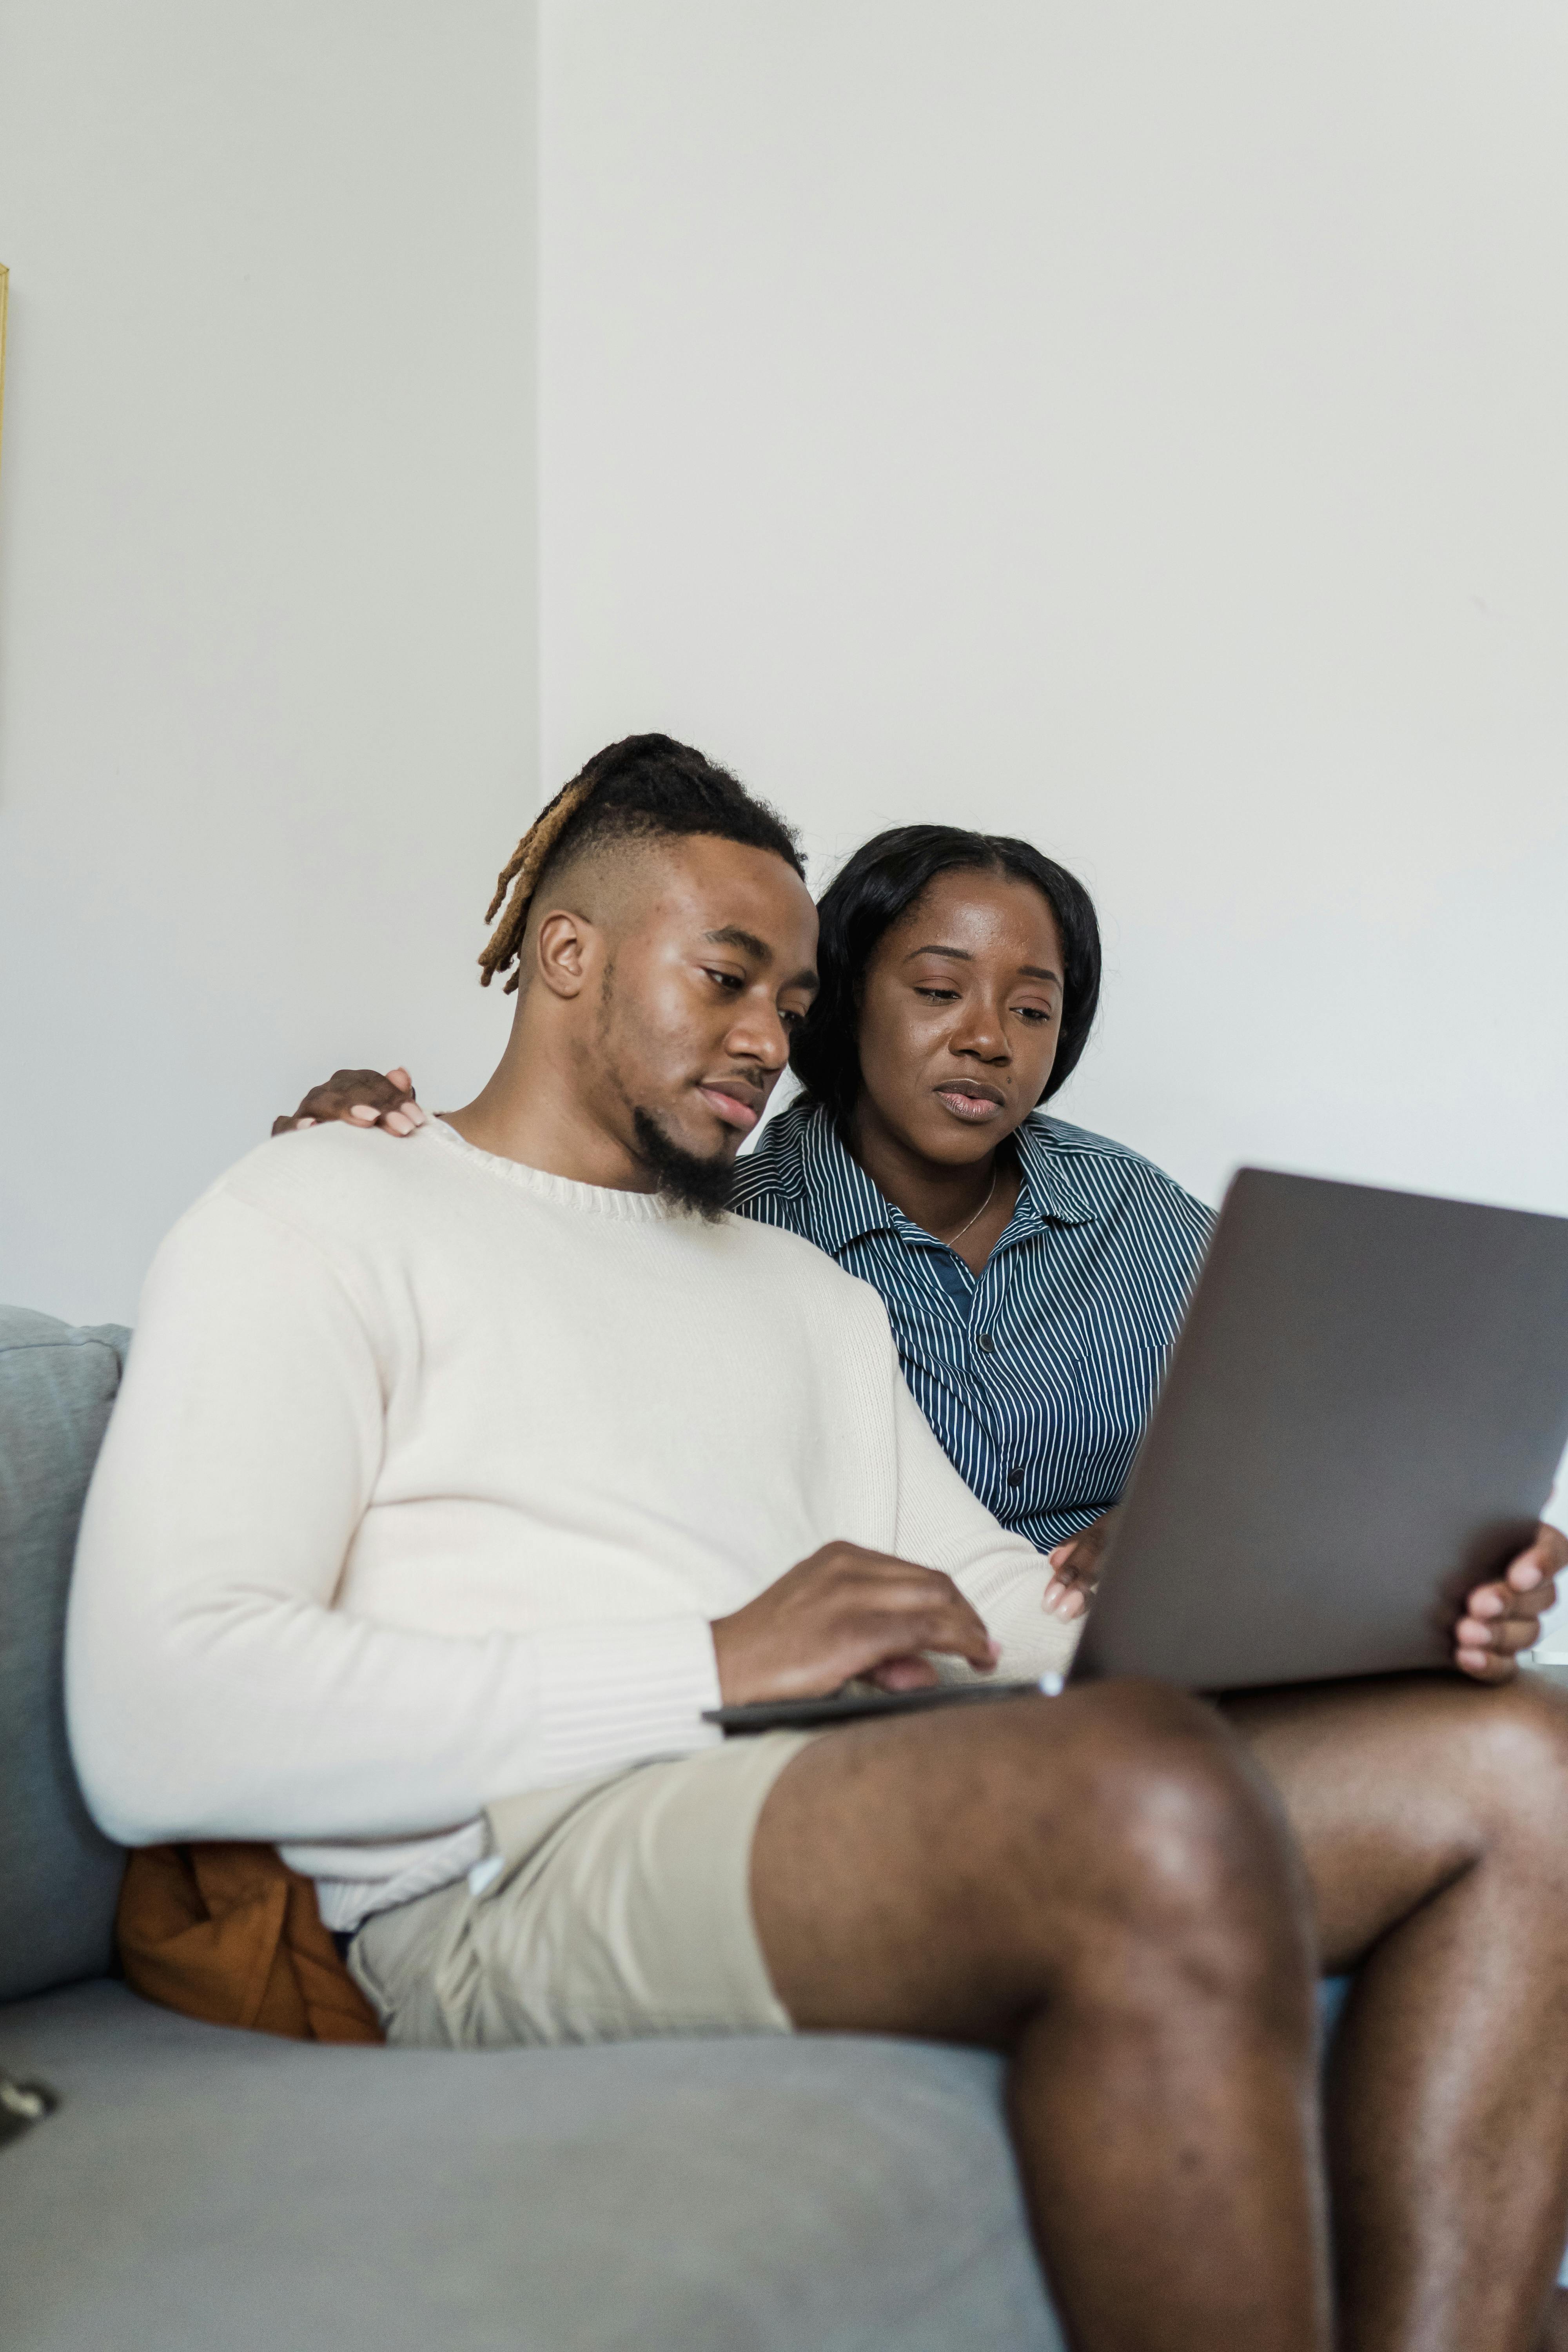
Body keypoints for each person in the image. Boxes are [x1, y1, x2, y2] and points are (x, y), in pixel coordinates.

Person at [74, 734, 1568, 2352]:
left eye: (787, 1003)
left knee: (1523, 1764)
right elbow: (160, 1722)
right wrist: (707, 1665)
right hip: (513, 1864)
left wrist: (1369, 1604)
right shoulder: (317, 1215)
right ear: (564, 957)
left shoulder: (797, 1291)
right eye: (726, 979)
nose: (769, 1042)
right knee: (1139, 1785)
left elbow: (997, 1599)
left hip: (838, 1773)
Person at [287, 822, 1557, 1683]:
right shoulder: (737, 1225)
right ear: (838, 1000)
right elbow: (553, 1205)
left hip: (1114, 1652)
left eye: (1034, 1007)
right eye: (939, 989)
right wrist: (378, 1139)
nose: (989, 1040)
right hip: (884, 1687)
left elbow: (1310, 1450)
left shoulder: (1143, 1217)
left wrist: (1227, 1546)